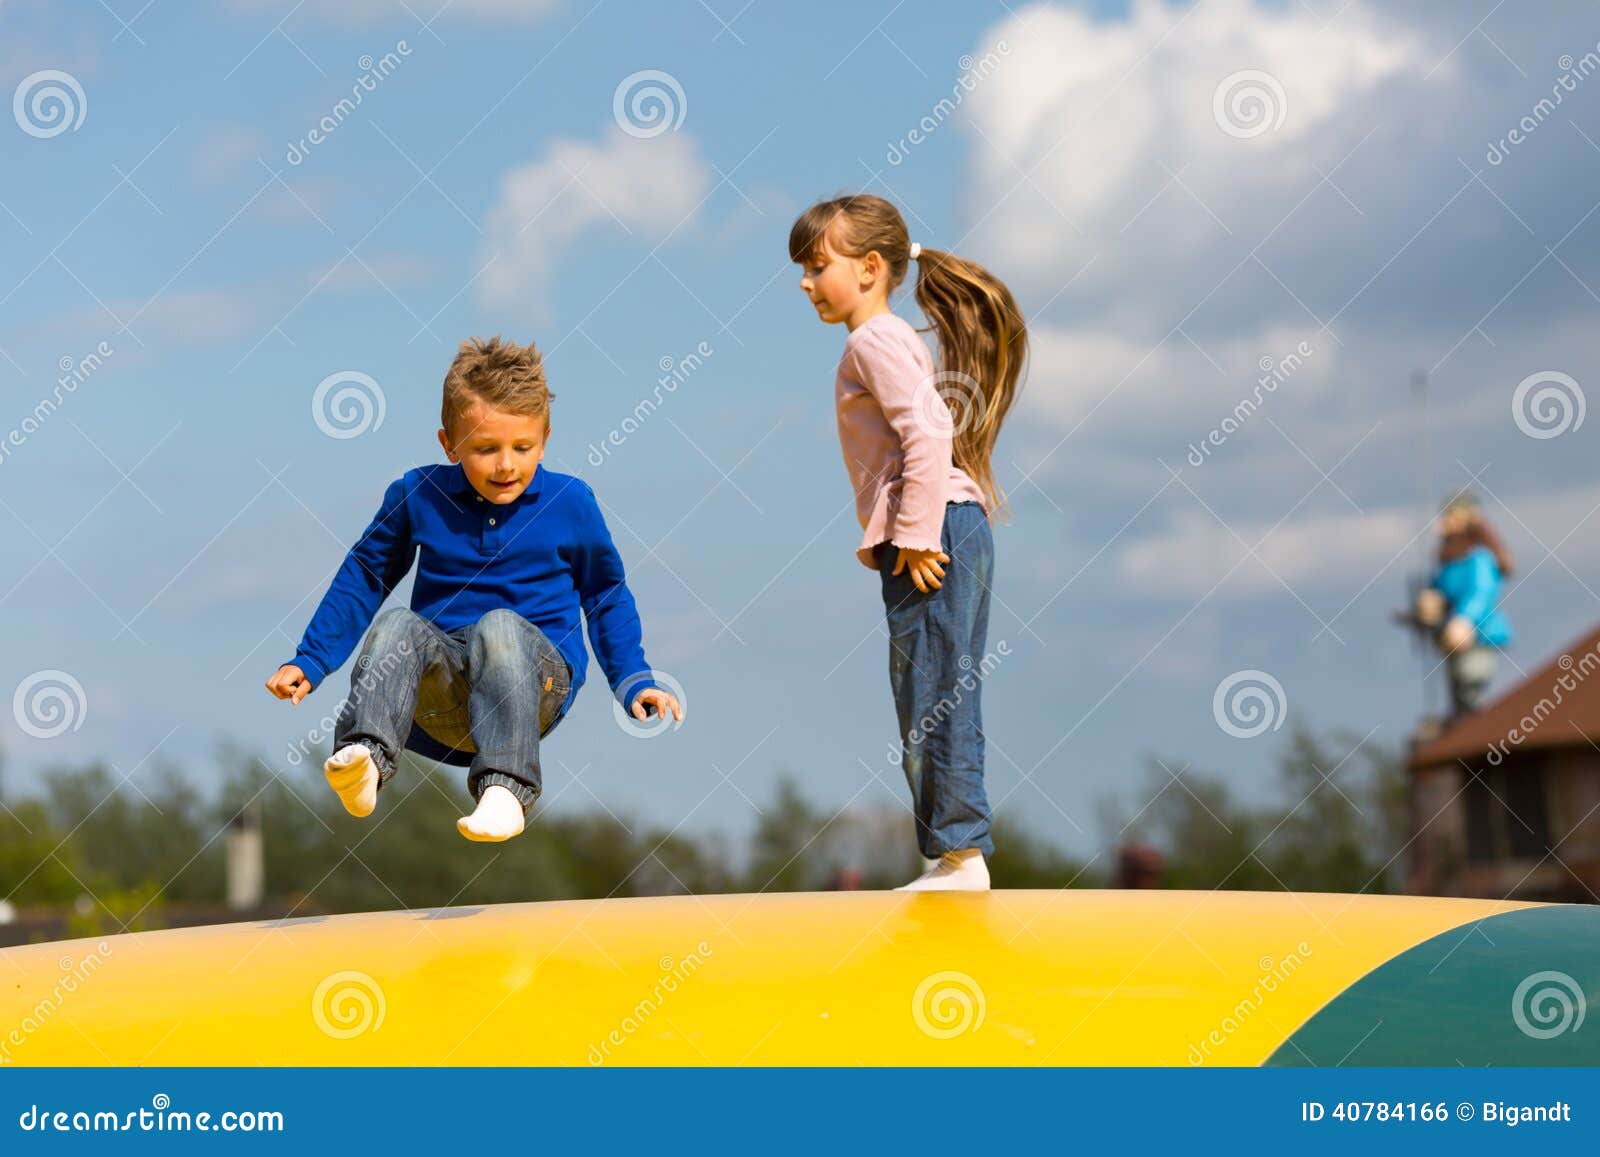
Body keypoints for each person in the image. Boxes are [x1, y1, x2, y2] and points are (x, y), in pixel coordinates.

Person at [265, 336, 682, 842]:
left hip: (535, 686)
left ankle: (506, 788)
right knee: (398, 623)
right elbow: (366, 576)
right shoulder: (419, 495)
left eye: (522, 448)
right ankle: (366, 758)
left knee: (498, 627)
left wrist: (633, 677)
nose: (506, 464)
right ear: (449, 444)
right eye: (486, 449)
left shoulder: (571, 502)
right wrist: (310, 660)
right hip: (442, 695)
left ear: (545, 439)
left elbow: (605, 594)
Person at [790, 194, 1026, 891]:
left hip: (932, 533)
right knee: (936, 688)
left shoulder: (873, 341)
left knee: (934, 692)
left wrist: (918, 537)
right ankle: (956, 854)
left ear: (869, 268)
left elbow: (928, 432)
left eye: (817, 266)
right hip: (943, 526)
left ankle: (961, 856)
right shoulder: (885, 339)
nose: (805, 282)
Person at [1414, 490, 1513, 717]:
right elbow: (1438, 591)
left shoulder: (1479, 557)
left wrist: (1463, 620)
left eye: (1448, 516)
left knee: (1472, 696)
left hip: (1476, 638)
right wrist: (1429, 605)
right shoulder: (1448, 562)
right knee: (1459, 703)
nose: (1442, 522)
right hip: (1451, 642)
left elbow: (1481, 592)